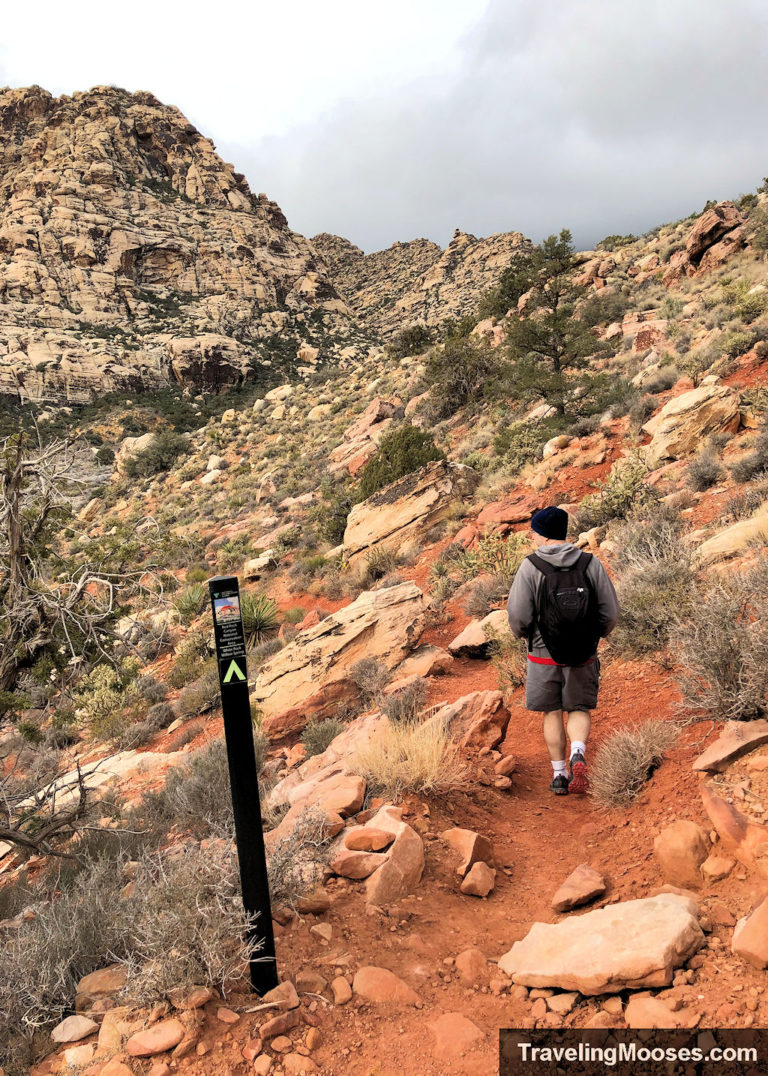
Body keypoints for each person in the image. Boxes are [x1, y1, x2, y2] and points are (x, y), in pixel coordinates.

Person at [506, 506, 619, 796]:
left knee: (552, 711)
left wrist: (525, 635)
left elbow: (518, 615)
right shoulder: (590, 563)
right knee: (578, 707)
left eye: (533, 530)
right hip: (583, 650)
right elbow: (610, 611)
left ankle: (559, 774)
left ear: (542, 533)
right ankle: (577, 751)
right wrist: (596, 636)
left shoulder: (530, 566)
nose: (531, 535)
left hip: (543, 654)